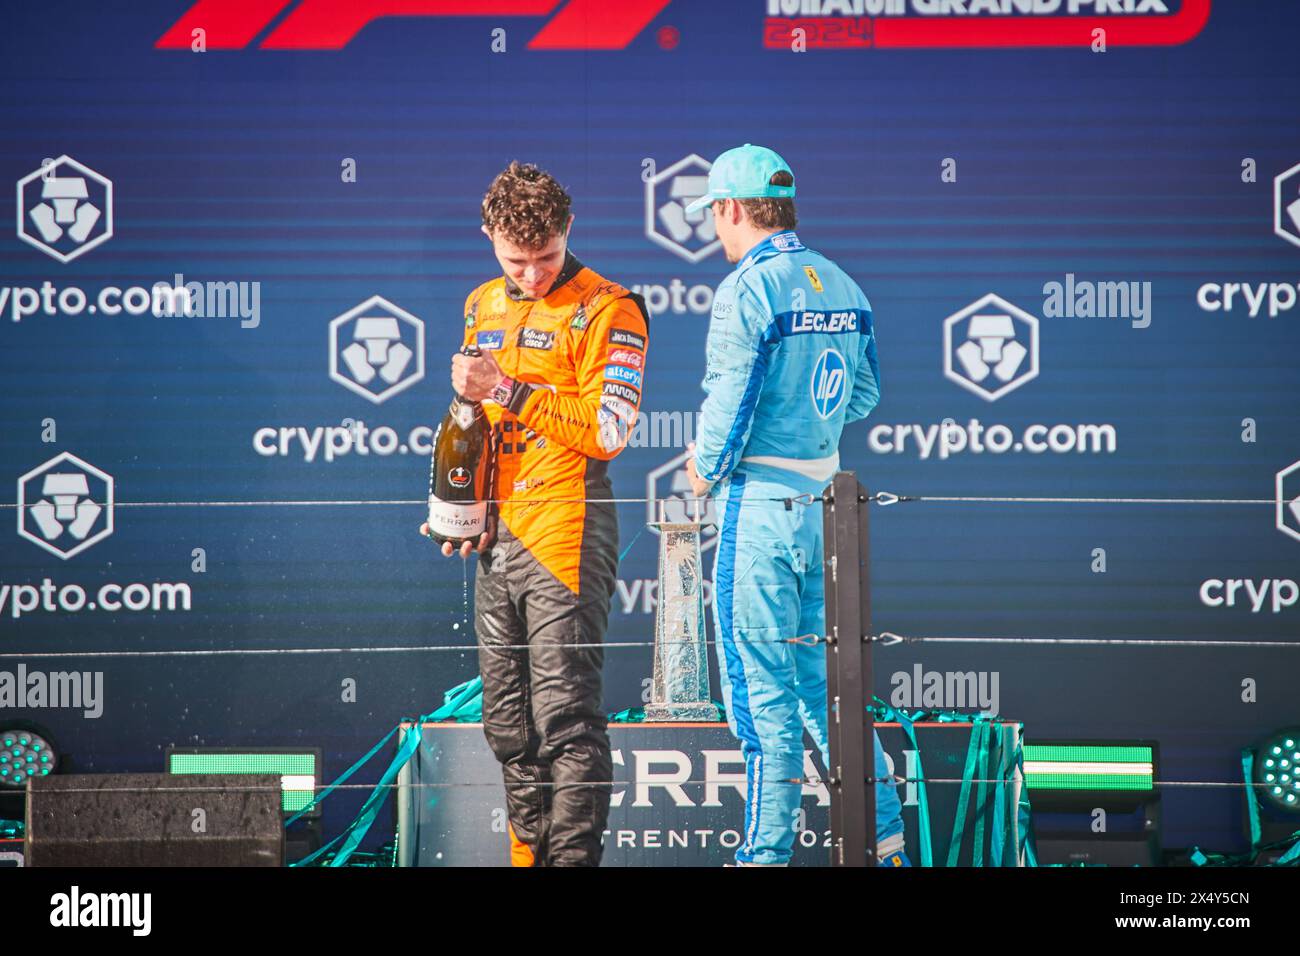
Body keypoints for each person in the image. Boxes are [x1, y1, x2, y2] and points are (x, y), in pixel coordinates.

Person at [684, 144, 909, 867]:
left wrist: (703, 467)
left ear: (730, 208)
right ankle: (889, 845)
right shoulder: (840, 280)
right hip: (827, 506)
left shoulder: (746, 289)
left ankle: (764, 857)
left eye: (714, 216)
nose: (715, 232)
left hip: (760, 505)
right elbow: (866, 396)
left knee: (761, 696)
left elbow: (731, 404)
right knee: (831, 691)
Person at [419, 161, 649, 866]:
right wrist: (465, 508)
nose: (533, 275)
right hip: (499, 537)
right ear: (488, 236)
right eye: (516, 260)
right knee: (507, 724)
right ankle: (526, 859)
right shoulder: (480, 303)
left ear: (568, 231)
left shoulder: (611, 306)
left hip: (567, 532)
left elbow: (609, 431)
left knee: (566, 722)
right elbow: (474, 422)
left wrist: (510, 388)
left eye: (546, 257)